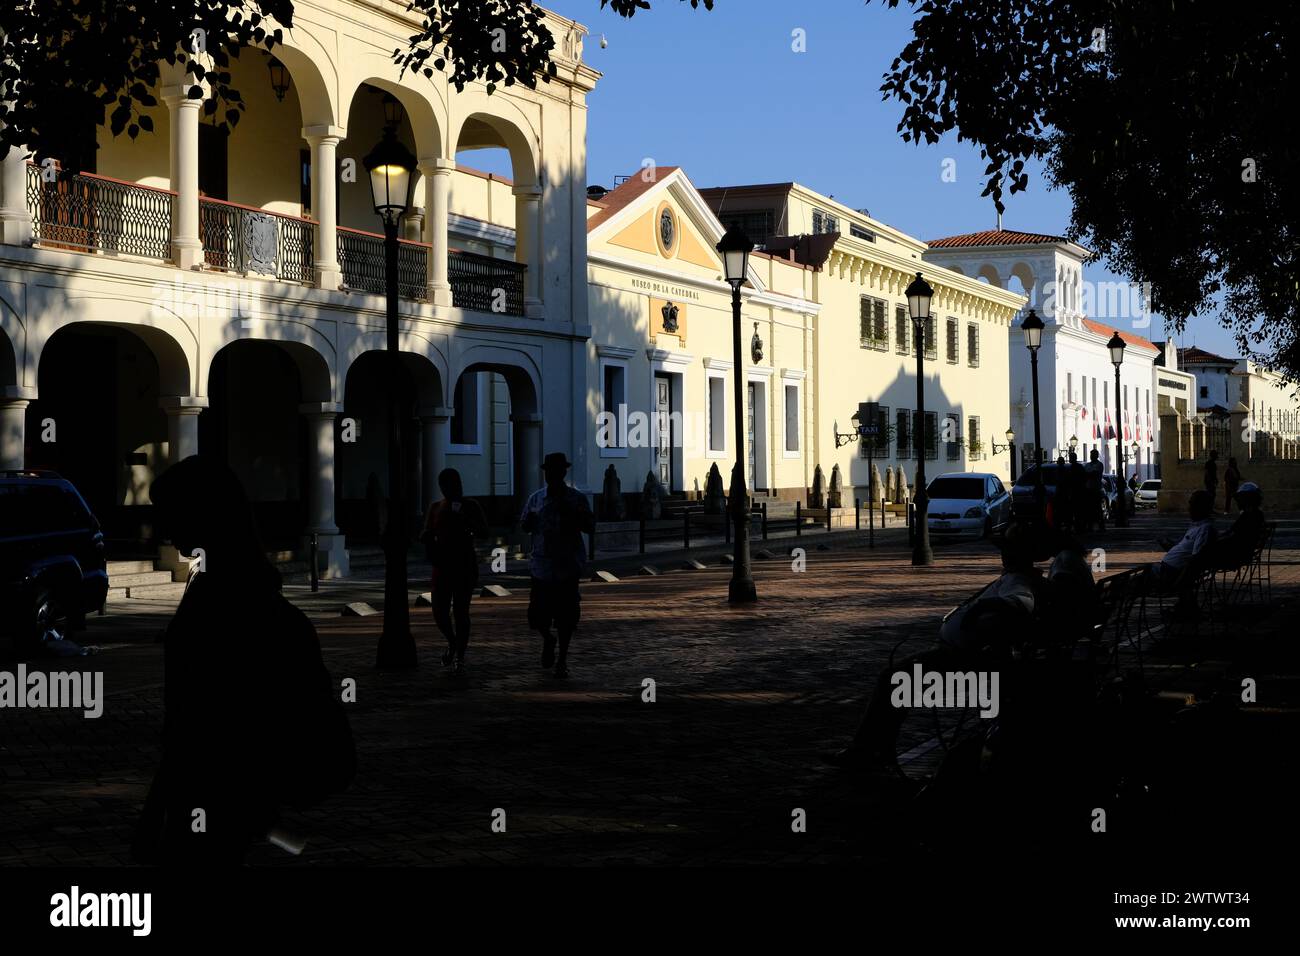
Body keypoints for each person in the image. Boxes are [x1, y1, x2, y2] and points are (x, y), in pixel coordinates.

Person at [134, 456, 354, 864]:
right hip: (221, 797)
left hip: (213, 795)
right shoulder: (225, 594)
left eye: (171, 515)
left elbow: (196, 726)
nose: (164, 529)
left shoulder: (222, 606)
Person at [827, 520, 1046, 772]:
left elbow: (1020, 603)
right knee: (898, 676)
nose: (1003, 555)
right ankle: (875, 749)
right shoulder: (1015, 577)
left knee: (895, 677)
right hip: (965, 655)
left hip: (965, 660)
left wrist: (986, 608)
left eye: (1008, 550)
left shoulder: (1018, 581)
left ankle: (868, 751)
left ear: (1018, 554)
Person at [520, 452, 595, 678]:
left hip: (567, 565)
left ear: (563, 473)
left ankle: (562, 658)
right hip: (542, 565)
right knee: (537, 615)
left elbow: (590, 526)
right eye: (548, 472)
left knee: (566, 616)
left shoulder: (576, 498)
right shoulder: (536, 498)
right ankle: (547, 638)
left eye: (555, 471)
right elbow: (524, 526)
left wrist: (575, 517)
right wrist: (530, 522)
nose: (550, 476)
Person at [420, 468, 488, 674]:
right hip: (442, 565)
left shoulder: (471, 505)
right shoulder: (435, 507)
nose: (451, 489)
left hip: (464, 564)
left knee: (461, 611)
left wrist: (465, 519)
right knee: (439, 611)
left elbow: (484, 531)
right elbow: (426, 531)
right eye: (446, 485)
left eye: (454, 484)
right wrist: (426, 537)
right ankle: (452, 641)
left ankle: (460, 655)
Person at [1147, 489, 1216, 596]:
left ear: (1201, 507)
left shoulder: (1204, 529)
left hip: (1169, 573)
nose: (1189, 508)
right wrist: (1168, 545)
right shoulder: (1196, 526)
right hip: (1165, 569)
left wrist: (1179, 582)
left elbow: (1195, 560)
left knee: (1123, 584)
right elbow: (1184, 552)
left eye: (1192, 504)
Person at [1217, 481, 1265, 568]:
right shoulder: (1257, 514)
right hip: (1244, 551)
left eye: (1241, 499)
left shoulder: (1248, 516)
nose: (1238, 502)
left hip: (1238, 553)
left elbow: (1233, 533)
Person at [1083, 449, 1105, 532]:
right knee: (1089, 509)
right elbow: (1085, 475)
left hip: (1096, 489)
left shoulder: (1099, 465)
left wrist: (1088, 474)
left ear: (1096, 456)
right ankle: (1090, 526)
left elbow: (1095, 474)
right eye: (1091, 454)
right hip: (1088, 489)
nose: (1091, 456)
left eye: (1093, 454)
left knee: (1098, 509)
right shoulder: (1087, 465)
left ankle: (1101, 526)